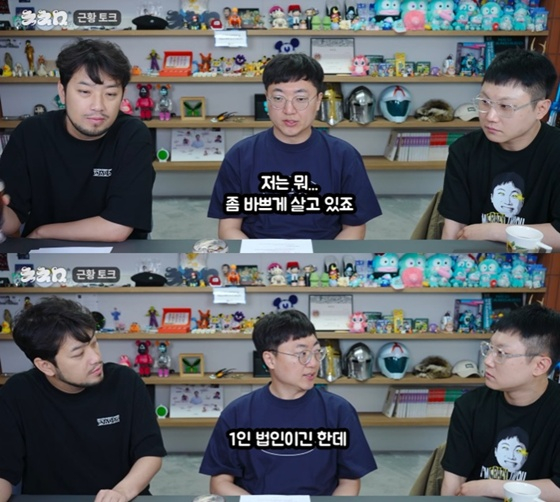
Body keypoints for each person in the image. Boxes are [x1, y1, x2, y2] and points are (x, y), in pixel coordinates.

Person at [0, 297, 166, 501]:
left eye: (94, 344)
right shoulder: (18, 393)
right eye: (79, 354)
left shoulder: (125, 382)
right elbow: (3, 471)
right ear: (46, 366)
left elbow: (150, 453)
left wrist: (122, 492)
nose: (96, 358)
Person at [199, 309, 377, 495]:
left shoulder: (339, 411)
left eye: (317, 352)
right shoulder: (237, 414)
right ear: (270, 359)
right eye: (302, 354)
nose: (313, 363)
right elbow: (220, 483)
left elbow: (349, 481)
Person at [207, 53, 381, 239]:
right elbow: (229, 229)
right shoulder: (240, 155)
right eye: (278, 98)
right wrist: (260, 255)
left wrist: (325, 256)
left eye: (301, 99)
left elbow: (354, 228)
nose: (289, 110)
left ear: (318, 101)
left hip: (323, 253)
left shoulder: (344, 156)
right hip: (257, 251)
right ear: (267, 99)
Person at [0, 39, 156, 241]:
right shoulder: (31, 133)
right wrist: (1, 213)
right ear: (62, 92)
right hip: (46, 255)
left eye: (110, 94)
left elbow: (117, 227)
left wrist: (41, 232)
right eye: (84, 92)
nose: (98, 106)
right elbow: (12, 217)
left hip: (118, 255)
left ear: (122, 96)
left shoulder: (132, 135)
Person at [438, 49, 560, 249]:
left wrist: (495, 231)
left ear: (541, 109)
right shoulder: (464, 151)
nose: (490, 116)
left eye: (506, 107)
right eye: (485, 102)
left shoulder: (555, 152)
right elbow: (453, 231)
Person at [441, 303, 560, 500]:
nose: (488, 361)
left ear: (540, 365)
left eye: (501, 354)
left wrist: (491, 487)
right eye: (490, 349)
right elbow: (453, 482)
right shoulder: (470, 406)